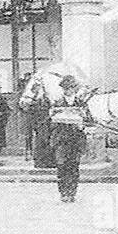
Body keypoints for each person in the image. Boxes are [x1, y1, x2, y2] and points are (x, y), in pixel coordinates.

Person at [50, 72, 90, 203]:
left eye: (71, 88)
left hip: (76, 139)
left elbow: (88, 120)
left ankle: (72, 192)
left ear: (75, 89)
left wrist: (82, 124)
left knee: (74, 166)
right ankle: (63, 193)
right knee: (62, 166)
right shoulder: (57, 103)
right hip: (61, 139)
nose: (68, 90)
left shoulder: (81, 103)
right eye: (65, 88)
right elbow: (51, 121)